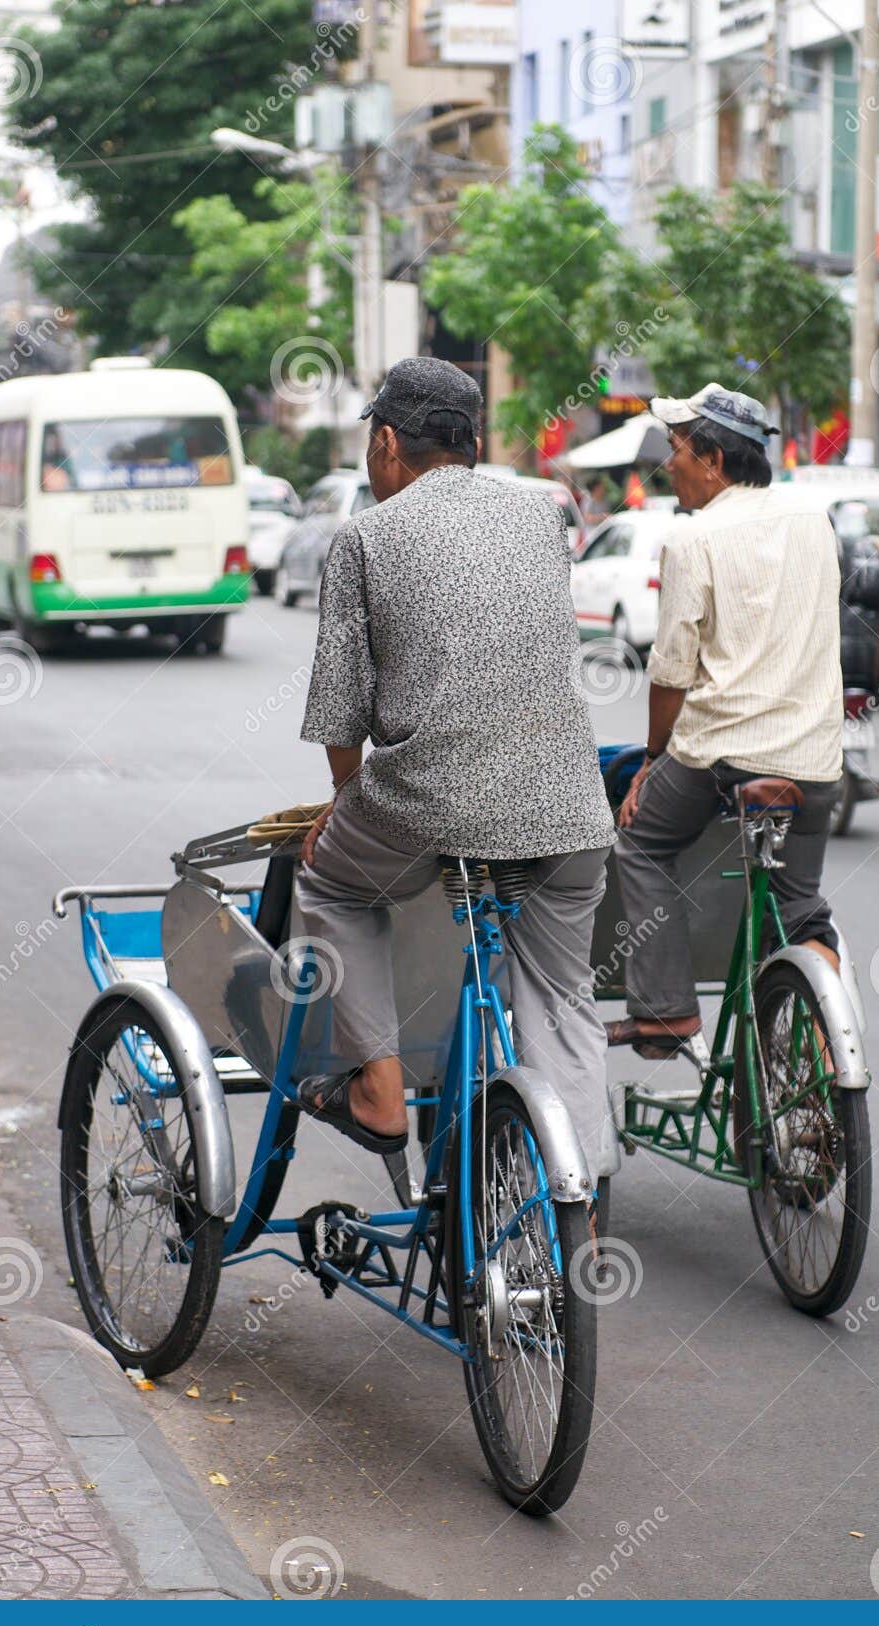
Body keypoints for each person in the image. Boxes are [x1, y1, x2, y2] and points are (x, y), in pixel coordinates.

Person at [295, 356, 616, 1184]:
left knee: (330, 888)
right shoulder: (544, 518)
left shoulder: (366, 535)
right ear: (470, 442)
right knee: (560, 997)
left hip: (427, 808)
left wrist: (343, 802)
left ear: (389, 442)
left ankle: (377, 1089)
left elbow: (339, 708)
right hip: (570, 812)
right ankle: (577, 1195)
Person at [609, 383, 843, 1056]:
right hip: (812, 760)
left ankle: (664, 1012)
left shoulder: (693, 538)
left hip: (721, 755)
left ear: (711, 458)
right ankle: (829, 1040)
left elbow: (671, 673)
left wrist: (651, 761)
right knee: (799, 908)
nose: (669, 464)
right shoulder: (811, 520)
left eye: (676, 449)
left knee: (641, 843)